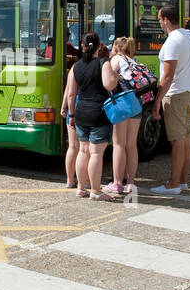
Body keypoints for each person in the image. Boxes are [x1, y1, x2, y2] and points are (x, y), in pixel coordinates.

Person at [150, 6, 190, 195]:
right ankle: (183, 180)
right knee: (186, 138)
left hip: (176, 94)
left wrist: (157, 101)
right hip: (189, 92)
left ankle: (173, 184)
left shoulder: (173, 41)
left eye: (160, 20)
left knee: (177, 141)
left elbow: (168, 76)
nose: (159, 23)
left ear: (165, 19)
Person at [61, 32, 114, 200]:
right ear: (99, 46)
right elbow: (109, 83)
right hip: (98, 113)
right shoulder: (103, 63)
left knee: (82, 151)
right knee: (96, 153)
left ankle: (80, 187)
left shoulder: (77, 67)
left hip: (81, 112)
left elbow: (71, 94)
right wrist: (116, 76)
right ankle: (96, 191)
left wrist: (72, 115)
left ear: (82, 47)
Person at [104, 36, 146, 195]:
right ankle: (131, 182)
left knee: (119, 144)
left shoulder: (116, 60)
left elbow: (109, 81)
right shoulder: (134, 61)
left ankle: (117, 183)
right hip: (137, 105)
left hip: (123, 104)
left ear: (116, 48)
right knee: (131, 144)